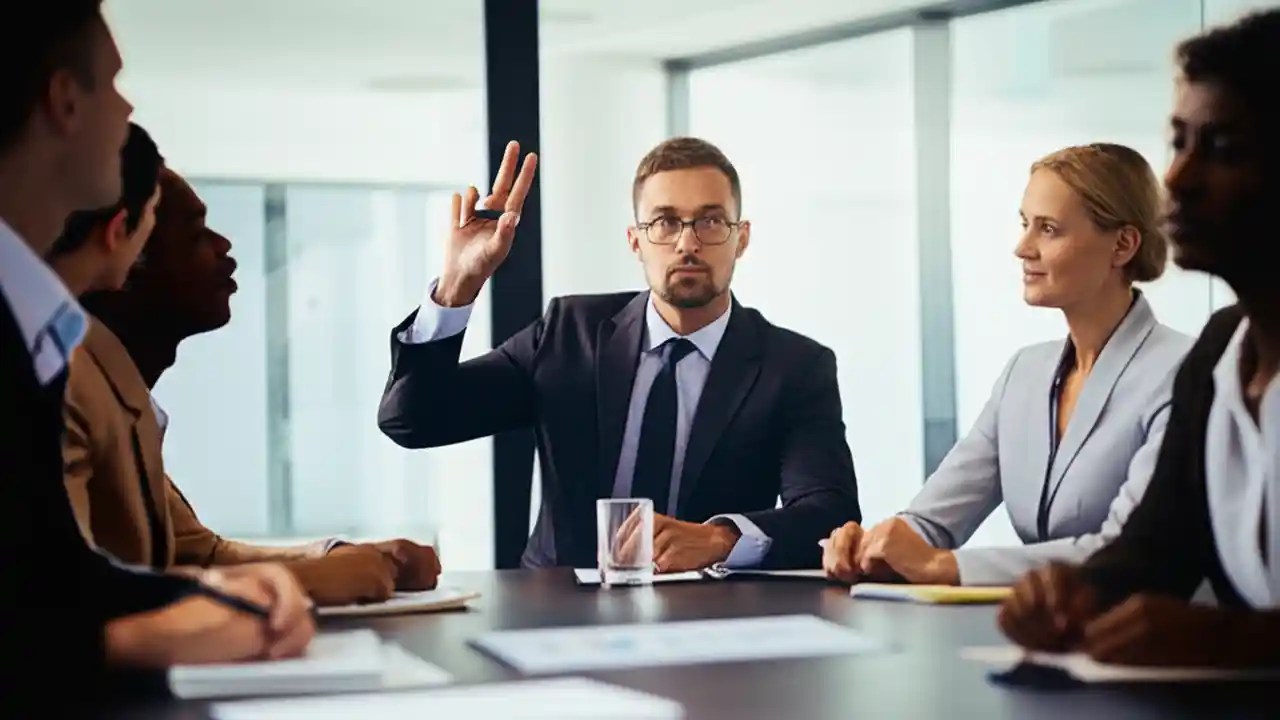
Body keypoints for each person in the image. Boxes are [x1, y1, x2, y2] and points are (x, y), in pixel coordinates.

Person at [0, 1, 312, 698]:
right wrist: (133, 638)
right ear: (64, 103)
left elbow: (47, 573)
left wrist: (211, 596)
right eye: (113, 82)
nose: (128, 106)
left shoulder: (38, 325)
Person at [379, 137, 861, 571]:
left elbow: (829, 514)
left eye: (711, 221)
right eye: (665, 222)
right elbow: (414, 420)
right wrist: (457, 286)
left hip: (714, 620)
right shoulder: (569, 334)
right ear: (635, 240)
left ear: (742, 238)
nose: (687, 242)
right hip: (556, 612)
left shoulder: (794, 367)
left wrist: (719, 539)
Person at [999, 9, 1280, 667]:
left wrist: (1237, 640)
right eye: (1179, 142)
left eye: (1223, 149)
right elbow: (1155, 550)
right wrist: (1073, 594)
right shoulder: (1221, 351)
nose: (1176, 180)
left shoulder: (1178, 359)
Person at [63, 167, 442, 606]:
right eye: (194, 233)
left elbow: (199, 554)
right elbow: (67, 595)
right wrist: (310, 582)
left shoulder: (120, 391)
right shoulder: (70, 387)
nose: (224, 247)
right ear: (123, 253)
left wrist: (337, 557)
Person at [823, 144, 1192, 587]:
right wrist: (874, 545)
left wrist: (944, 566)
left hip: (1156, 638)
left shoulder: (1183, 374)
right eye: (1025, 224)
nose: (1022, 248)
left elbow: (1126, 547)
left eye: (1049, 229)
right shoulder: (1025, 374)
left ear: (1123, 245)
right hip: (1044, 628)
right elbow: (933, 521)